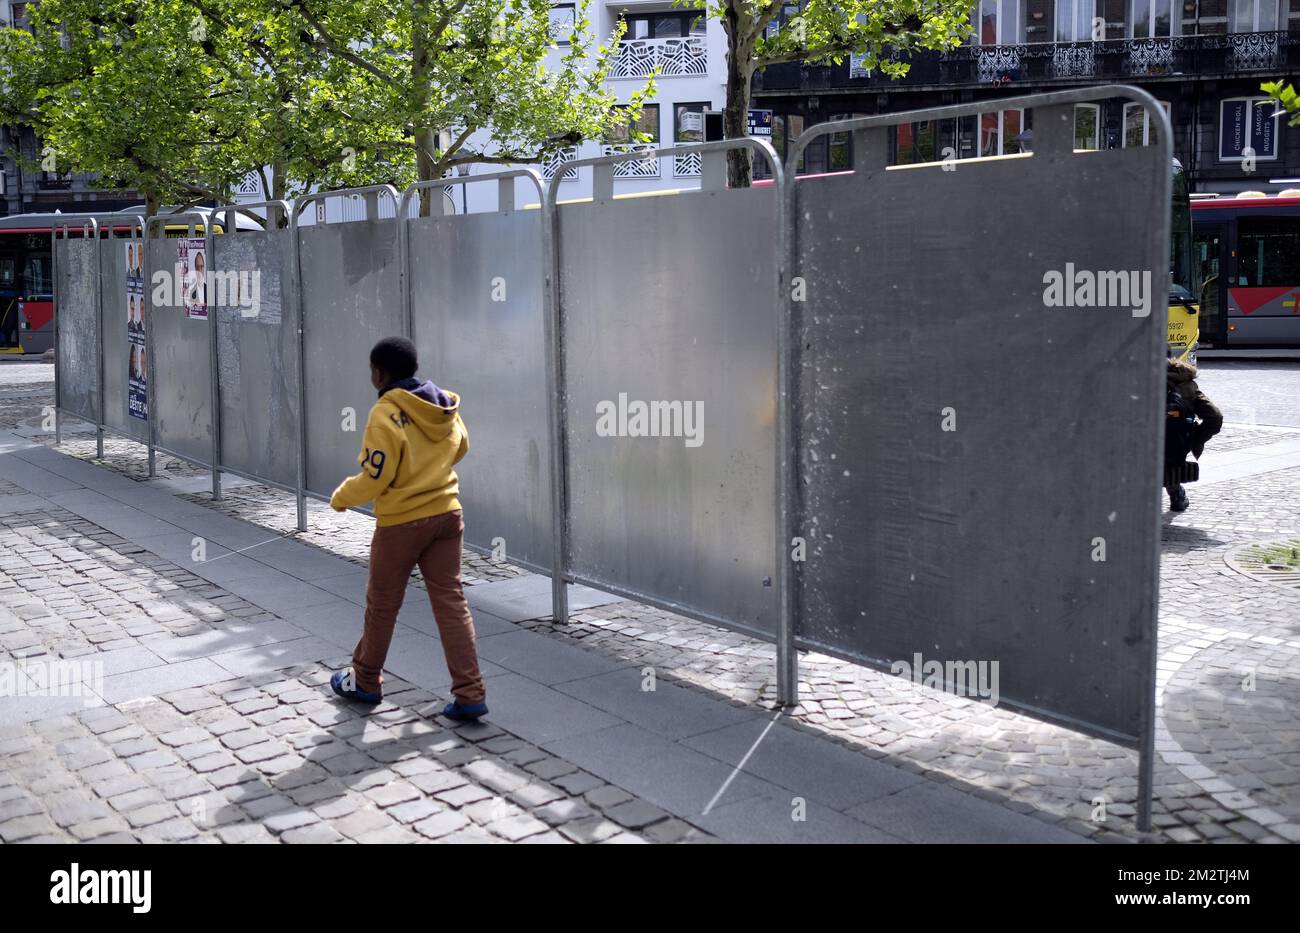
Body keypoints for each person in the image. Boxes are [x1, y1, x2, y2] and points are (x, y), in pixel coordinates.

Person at [328, 336, 487, 720]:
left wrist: (341, 497)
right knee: (451, 603)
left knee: (382, 605)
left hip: (402, 523)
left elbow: (375, 478)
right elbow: (461, 446)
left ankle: (365, 681)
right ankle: (470, 693)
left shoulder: (385, 412)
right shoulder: (444, 405)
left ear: (379, 374)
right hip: (448, 515)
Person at [1164, 356, 1223, 513]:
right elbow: (1215, 417)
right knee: (1171, 461)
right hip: (1176, 440)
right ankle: (1177, 497)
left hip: (1140, 438)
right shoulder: (1188, 386)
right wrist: (1194, 439)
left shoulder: (1141, 379)